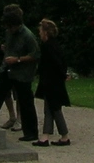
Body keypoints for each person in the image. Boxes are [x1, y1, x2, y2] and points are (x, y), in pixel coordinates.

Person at [0, 4, 39, 143]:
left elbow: (35, 55)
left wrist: (17, 59)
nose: (9, 30)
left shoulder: (28, 36)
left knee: (26, 102)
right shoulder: (9, 33)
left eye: (10, 27)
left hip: (22, 73)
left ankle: (31, 132)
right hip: (8, 69)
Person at [33, 18, 71, 146]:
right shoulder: (54, 45)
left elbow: (54, 64)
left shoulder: (48, 46)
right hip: (53, 81)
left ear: (46, 32)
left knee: (53, 108)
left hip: (51, 81)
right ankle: (47, 136)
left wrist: (61, 74)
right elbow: (62, 62)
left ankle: (59, 136)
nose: (39, 33)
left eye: (40, 31)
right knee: (51, 108)